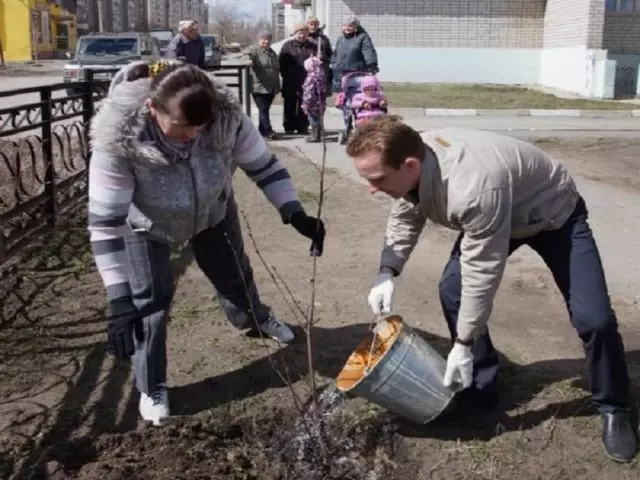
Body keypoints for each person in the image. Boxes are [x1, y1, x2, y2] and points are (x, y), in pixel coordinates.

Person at [346, 115, 638, 463]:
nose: (371, 188)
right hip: (500, 212)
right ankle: (481, 387)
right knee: (452, 290)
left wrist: (463, 342)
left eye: (377, 179)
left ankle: (615, 405)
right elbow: (407, 213)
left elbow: (482, 267)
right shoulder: (413, 155)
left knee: (595, 319)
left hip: (554, 215)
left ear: (409, 165)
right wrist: (387, 270)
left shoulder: (472, 186)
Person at [88, 59, 326, 426]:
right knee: (148, 301)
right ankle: (152, 386)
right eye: (183, 127)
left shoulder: (226, 117)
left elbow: (263, 166)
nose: (195, 135)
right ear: (153, 108)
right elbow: (106, 224)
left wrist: (294, 211)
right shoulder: (119, 140)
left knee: (235, 278)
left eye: (201, 126)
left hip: (213, 211)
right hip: (146, 225)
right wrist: (118, 299)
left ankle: (256, 320)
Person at [278, 23, 317, 135]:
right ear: (295, 34)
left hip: (307, 80)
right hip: (290, 80)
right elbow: (281, 63)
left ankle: (303, 126)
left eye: (304, 33)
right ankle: (289, 127)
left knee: (305, 104)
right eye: (299, 33)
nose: (302, 35)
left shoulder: (312, 46)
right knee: (289, 103)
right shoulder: (287, 45)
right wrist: (286, 74)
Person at [244, 31, 280, 139]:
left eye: (268, 39)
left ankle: (261, 131)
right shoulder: (253, 50)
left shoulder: (272, 52)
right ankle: (268, 130)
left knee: (264, 109)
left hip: (271, 86)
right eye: (263, 39)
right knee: (263, 108)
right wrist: (248, 60)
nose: (266, 41)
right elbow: (246, 55)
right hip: (259, 86)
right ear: (258, 40)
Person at [330, 16, 378, 95]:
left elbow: (368, 50)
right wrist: (334, 64)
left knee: (356, 100)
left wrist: (372, 64)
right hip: (340, 75)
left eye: (350, 26)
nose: (347, 28)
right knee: (342, 102)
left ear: (356, 27)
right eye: (345, 25)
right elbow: (335, 54)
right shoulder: (340, 39)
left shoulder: (362, 37)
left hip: (355, 74)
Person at [301, 56, 326, 143]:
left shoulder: (311, 77)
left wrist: (306, 103)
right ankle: (318, 135)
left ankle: (314, 136)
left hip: (312, 103)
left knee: (312, 118)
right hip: (321, 102)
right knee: (318, 118)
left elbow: (309, 92)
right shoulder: (321, 75)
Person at [305, 16, 333, 95]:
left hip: (322, 69)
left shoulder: (323, 38)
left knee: (320, 95)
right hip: (309, 71)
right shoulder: (304, 37)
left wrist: (324, 57)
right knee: (309, 95)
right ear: (308, 25)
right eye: (311, 24)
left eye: (315, 25)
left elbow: (330, 53)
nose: (313, 27)